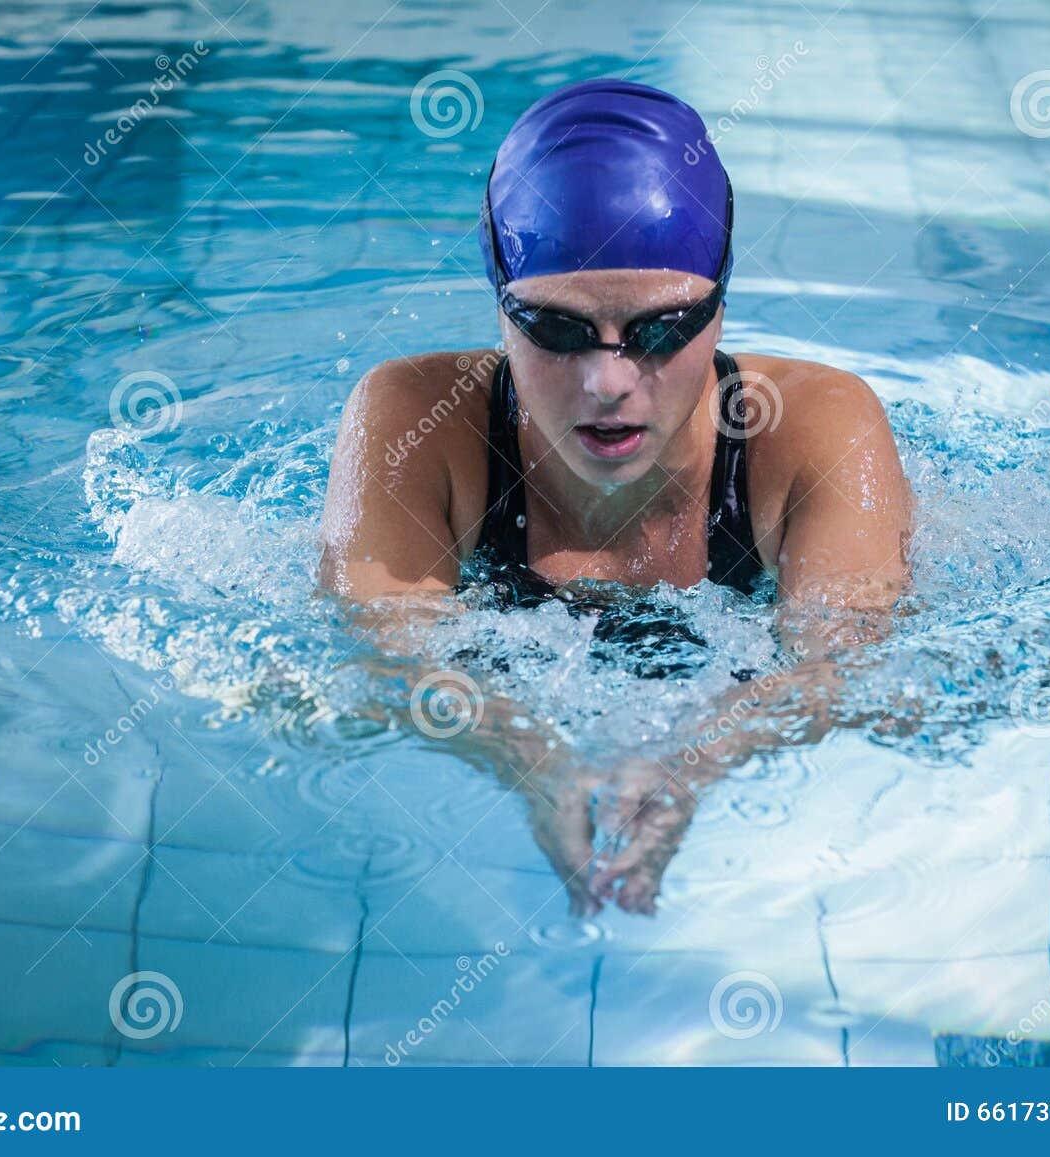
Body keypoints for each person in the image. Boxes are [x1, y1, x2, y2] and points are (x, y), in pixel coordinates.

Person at [320, 78, 912, 914]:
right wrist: (532, 758)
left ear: (720, 302)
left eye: (661, 330)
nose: (607, 382)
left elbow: (841, 660)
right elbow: (383, 651)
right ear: (497, 305)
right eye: (556, 329)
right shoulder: (416, 424)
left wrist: (694, 761)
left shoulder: (815, 432)